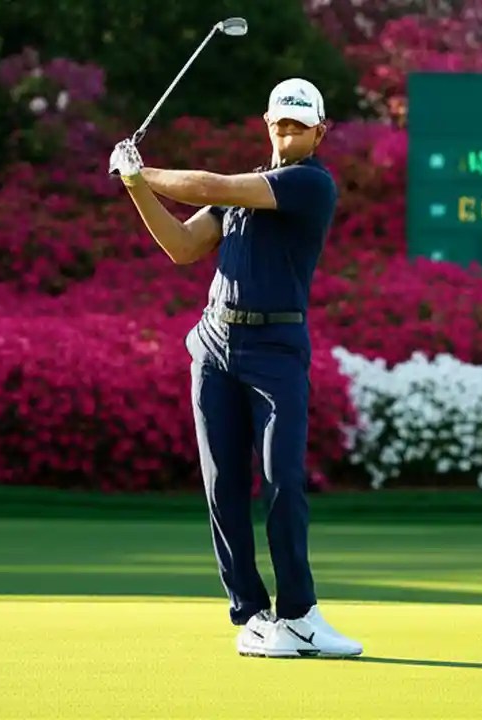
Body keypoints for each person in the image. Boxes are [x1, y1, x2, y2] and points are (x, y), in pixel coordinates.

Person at [108, 78, 362, 659]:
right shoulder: (238, 195)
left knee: (282, 483)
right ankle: (251, 617)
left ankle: (299, 617)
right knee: (223, 487)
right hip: (215, 344)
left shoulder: (308, 184)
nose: (289, 132)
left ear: (319, 132)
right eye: (281, 122)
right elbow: (180, 245)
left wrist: (141, 171)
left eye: (300, 125)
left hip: (276, 347)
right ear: (266, 123)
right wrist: (134, 188)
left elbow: (211, 184)